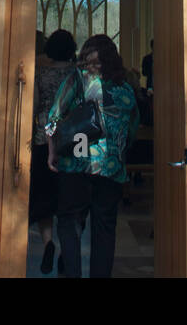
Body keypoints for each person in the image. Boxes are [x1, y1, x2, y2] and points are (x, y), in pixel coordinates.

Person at [46, 34, 139, 279]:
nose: (90, 68)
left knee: (69, 225)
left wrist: (52, 151)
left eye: (92, 62)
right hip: (110, 170)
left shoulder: (78, 79)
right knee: (105, 230)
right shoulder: (126, 89)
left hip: (76, 164)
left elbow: (53, 118)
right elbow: (131, 132)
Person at [29, 28, 76, 274]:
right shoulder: (75, 75)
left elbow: (35, 106)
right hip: (70, 142)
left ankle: (48, 242)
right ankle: (68, 249)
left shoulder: (40, 74)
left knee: (43, 198)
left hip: (41, 139)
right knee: (68, 201)